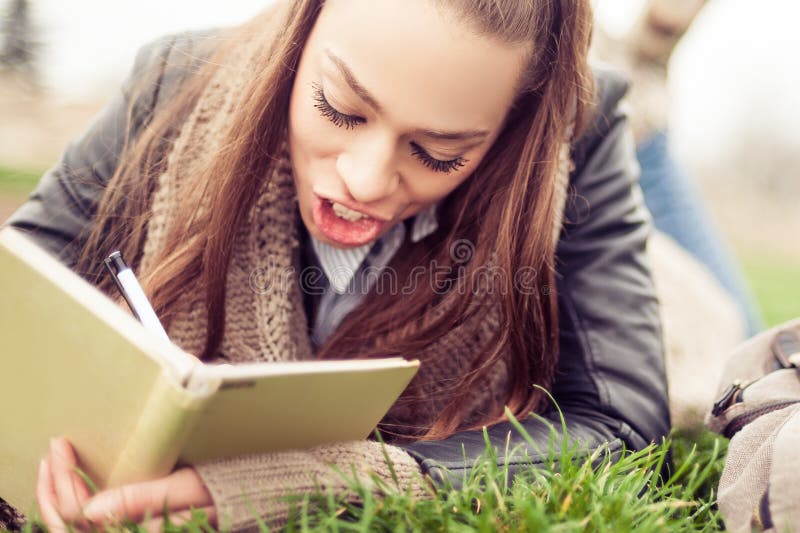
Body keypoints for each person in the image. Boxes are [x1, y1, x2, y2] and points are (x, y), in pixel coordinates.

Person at [4, 0, 670, 530]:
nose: (366, 179)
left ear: (513, 130)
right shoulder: (171, 85)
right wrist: (59, 450)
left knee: (714, 329)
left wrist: (325, 479)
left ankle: (656, 66)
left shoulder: (577, 135)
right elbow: (18, 298)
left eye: (439, 153)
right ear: (303, 22)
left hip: (674, 294)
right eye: (339, 108)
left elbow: (620, 423)